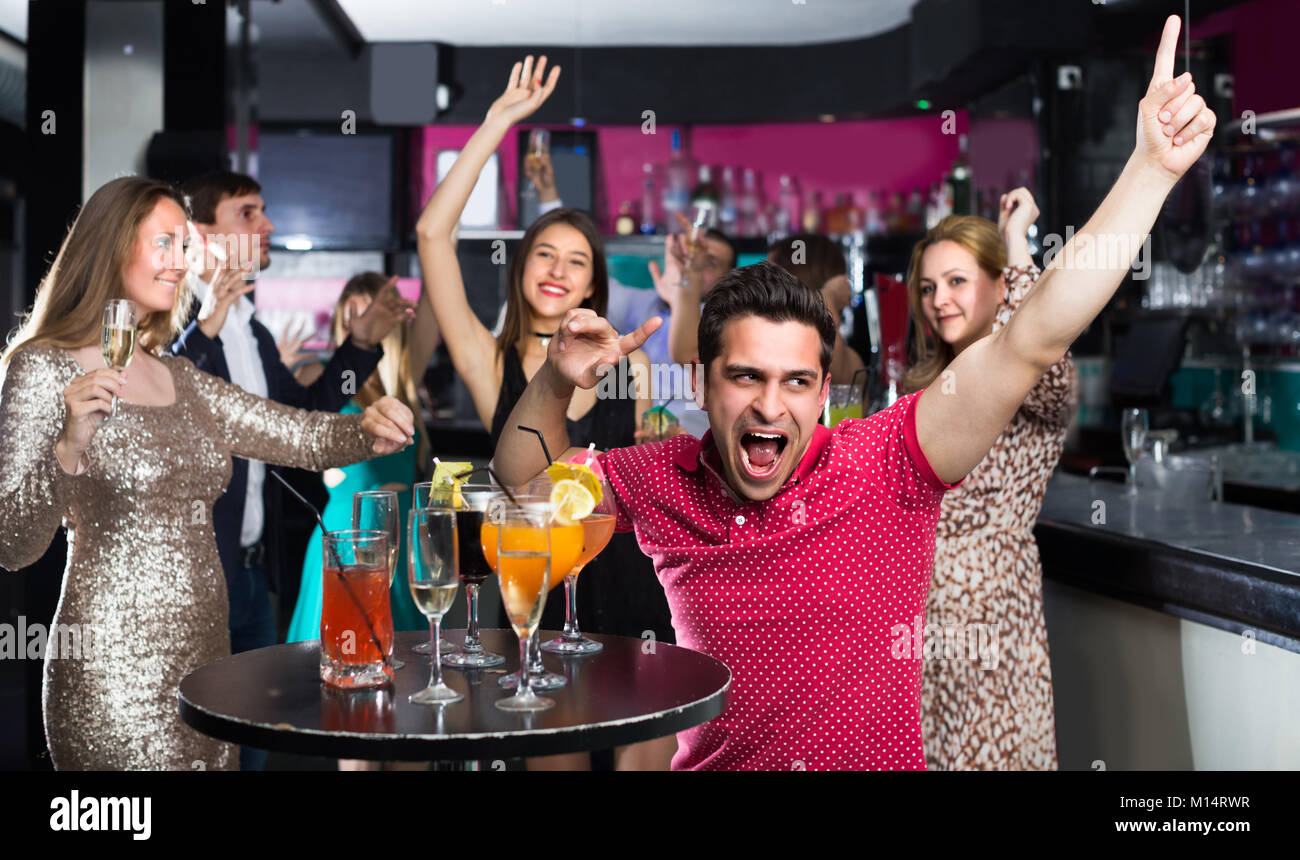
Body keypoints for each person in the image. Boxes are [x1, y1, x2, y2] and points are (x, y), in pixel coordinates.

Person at [492, 16, 1213, 769]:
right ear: (701, 384)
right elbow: (522, 491)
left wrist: (1149, 172)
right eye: (746, 376)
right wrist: (554, 377)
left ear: (822, 391)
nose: (771, 405)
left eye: (797, 381)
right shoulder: (660, 476)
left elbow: (1031, 336)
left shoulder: (889, 459)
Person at [0, 176, 416, 770]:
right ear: (112, 245)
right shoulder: (42, 367)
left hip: (208, 667)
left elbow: (299, 435)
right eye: (163, 243)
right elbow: (13, 545)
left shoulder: (182, 379)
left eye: (184, 246)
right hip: (110, 671)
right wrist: (69, 444)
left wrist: (366, 430)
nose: (180, 263)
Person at [417, 56, 669, 770]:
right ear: (521, 266)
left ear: (594, 283)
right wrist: (497, 121)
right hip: (536, 589)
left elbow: (650, 470)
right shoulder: (487, 359)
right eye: (544, 254)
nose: (558, 270)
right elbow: (433, 234)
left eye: (577, 261)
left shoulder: (628, 367)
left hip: (631, 588)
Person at [170, 170, 413, 770]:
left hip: (253, 574)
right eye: (247, 213)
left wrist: (359, 345)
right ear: (202, 233)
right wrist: (205, 325)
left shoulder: (251, 328)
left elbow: (306, 418)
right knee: (197, 744)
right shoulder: (172, 315)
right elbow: (168, 413)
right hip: (199, 572)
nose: (267, 224)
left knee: (256, 746)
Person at [903, 189, 1076, 770]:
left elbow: (1044, 343)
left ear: (1002, 287)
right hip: (918, 621)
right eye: (929, 287)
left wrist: (1016, 243)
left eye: (957, 281)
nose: (939, 300)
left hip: (991, 615)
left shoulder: (1031, 378)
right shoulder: (932, 379)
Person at [287, 272, 441, 644]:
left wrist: (438, 243)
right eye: (349, 315)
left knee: (407, 659)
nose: (355, 324)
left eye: (367, 314)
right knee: (341, 653)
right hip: (345, 531)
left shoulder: (404, 380)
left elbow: (440, 301)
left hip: (403, 534)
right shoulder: (319, 376)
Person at [766, 232, 867, 385]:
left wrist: (826, 299)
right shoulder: (765, 337)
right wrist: (828, 297)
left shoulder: (849, 359)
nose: (764, 281)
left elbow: (841, 383)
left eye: (773, 271)